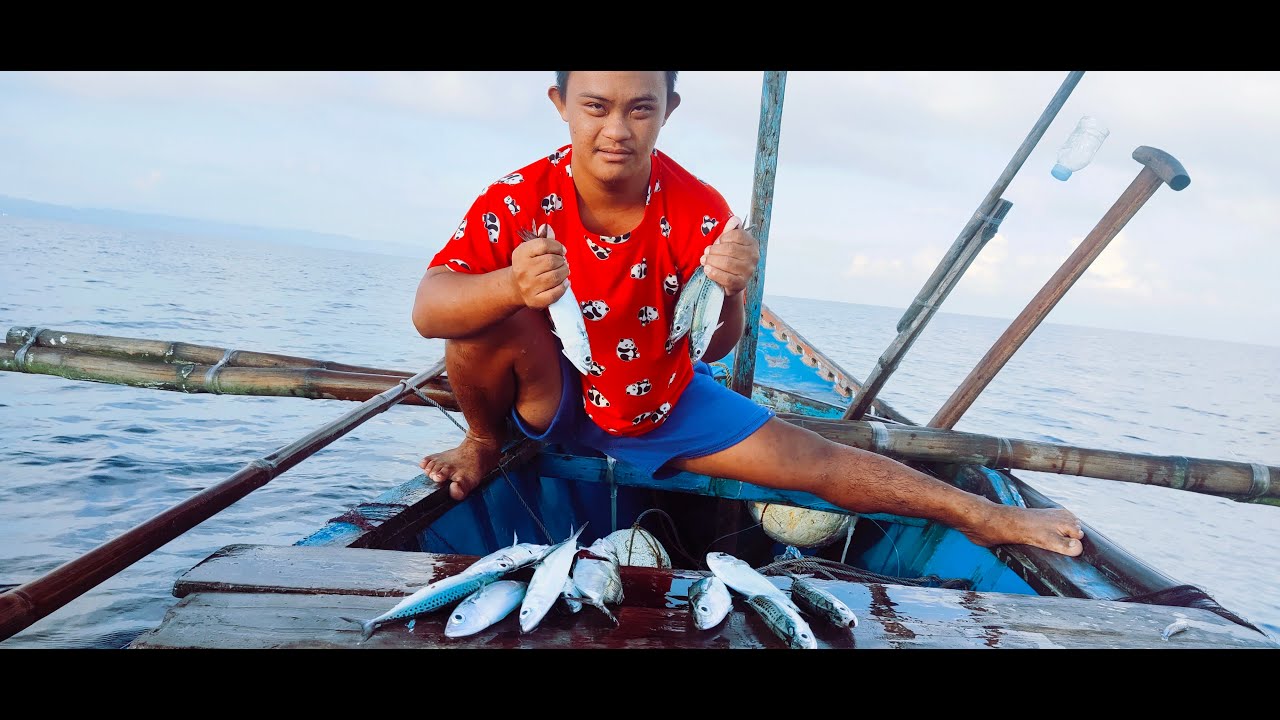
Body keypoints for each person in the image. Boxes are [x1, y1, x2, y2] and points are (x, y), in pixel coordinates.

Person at [412, 71, 1085, 558]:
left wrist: (732, 292)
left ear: (668, 109)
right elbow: (429, 308)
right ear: (561, 104)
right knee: (480, 318)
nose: (616, 129)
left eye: (640, 109)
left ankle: (982, 517)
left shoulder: (700, 211)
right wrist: (510, 286)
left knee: (818, 461)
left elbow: (711, 349)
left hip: (664, 396)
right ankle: (483, 441)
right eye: (595, 106)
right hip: (551, 397)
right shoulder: (517, 198)